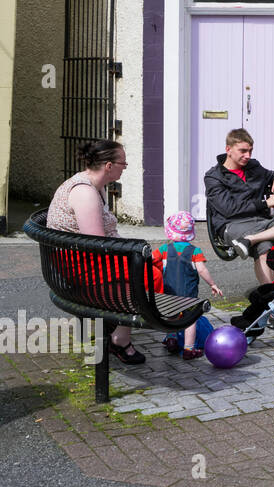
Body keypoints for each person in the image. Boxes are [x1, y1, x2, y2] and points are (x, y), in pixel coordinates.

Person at [47, 139, 159, 365]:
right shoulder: (85, 193)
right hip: (79, 265)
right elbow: (97, 244)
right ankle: (120, 338)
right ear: (109, 166)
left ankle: (120, 325)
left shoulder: (96, 187)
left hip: (83, 258)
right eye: (123, 164)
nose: (124, 168)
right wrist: (133, 254)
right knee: (150, 274)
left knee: (153, 262)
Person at [204, 129, 274, 285]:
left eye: (250, 151)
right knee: (264, 248)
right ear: (228, 149)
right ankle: (273, 299)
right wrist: (265, 203)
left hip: (261, 222)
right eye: (243, 151)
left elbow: (271, 174)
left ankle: (249, 240)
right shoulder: (214, 176)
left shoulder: (253, 167)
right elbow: (228, 209)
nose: (248, 156)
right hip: (232, 225)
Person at [154, 211, 223, 359]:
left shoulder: (164, 249)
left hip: (169, 293)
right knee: (190, 320)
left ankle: (171, 339)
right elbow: (202, 270)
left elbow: (150, 259)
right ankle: (188, 349)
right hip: (188, 295)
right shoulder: (195, 251)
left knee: (171, 316)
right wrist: (213, 284)